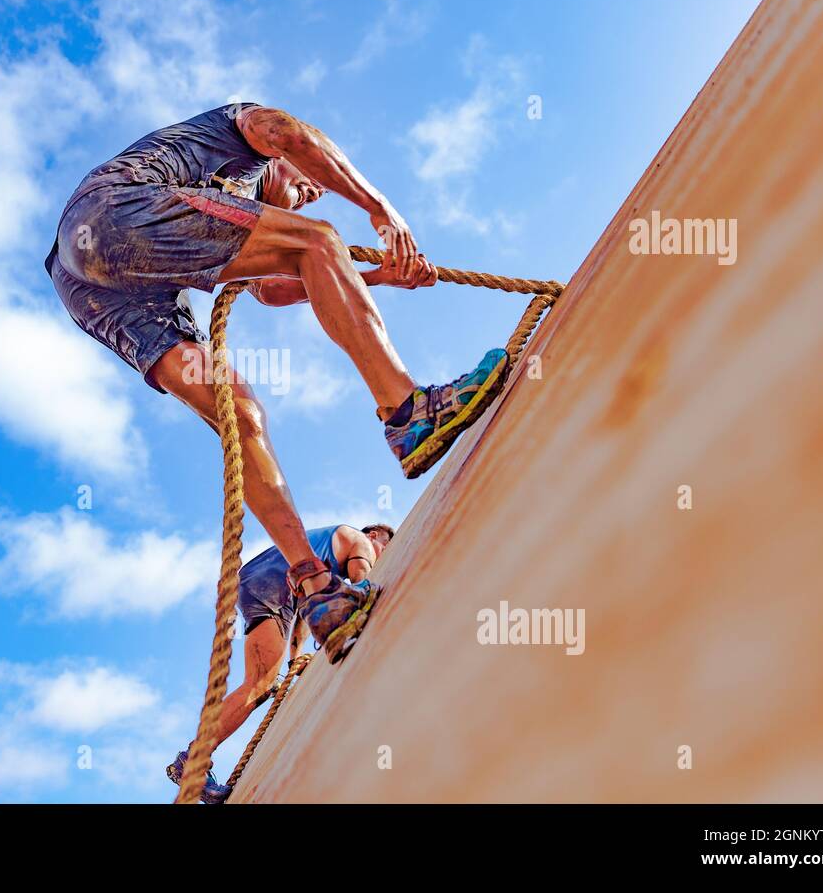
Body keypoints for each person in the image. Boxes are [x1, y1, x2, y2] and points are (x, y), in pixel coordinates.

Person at [46, 103, 505, 671]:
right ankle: (409, 410)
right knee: (318, 237)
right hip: (112, 212)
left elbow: (271, 288)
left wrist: (381, 275)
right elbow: (287, 136)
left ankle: (315, 588)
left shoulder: (226, 221)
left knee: (239, 413)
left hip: (92, 284)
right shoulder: (241, 139)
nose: (312, 191)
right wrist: (380, 211)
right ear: (280, 164)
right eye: (307, 184)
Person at [164, 523, 395, 803]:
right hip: (273, 587)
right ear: (373, 536)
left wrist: (293, 666)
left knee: (259, 684)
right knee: (258, 686)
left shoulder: (320, 559)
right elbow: (362, 581)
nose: (380, 554)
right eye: (384, 546)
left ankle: (194, 757)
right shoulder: (360, 540)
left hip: (259, 586)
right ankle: (193, 760)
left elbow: (300, 623)